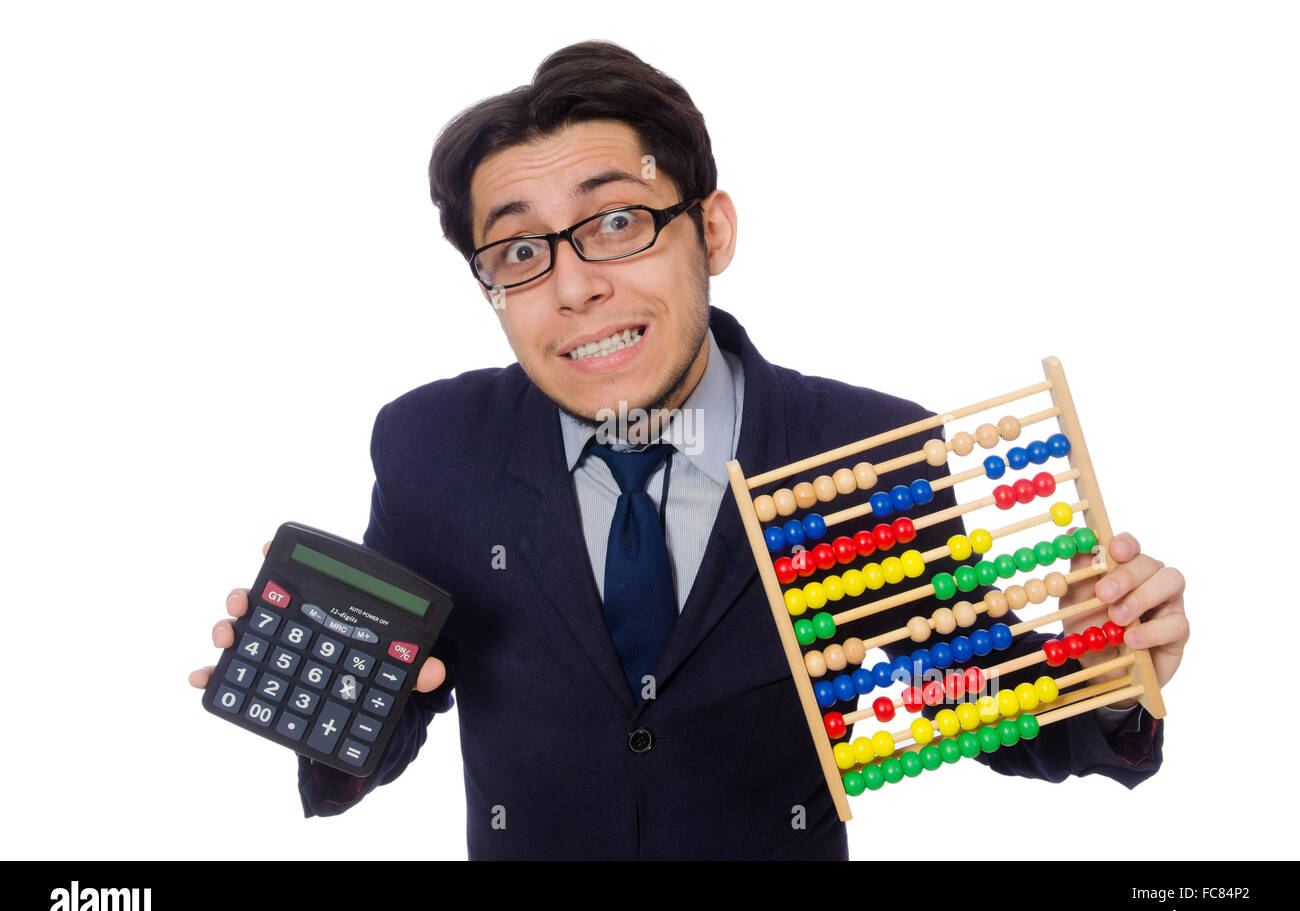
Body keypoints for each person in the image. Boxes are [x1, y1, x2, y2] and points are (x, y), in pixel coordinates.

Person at [190, 41, 1189, 859]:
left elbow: (982, 703)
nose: (574, 287)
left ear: (710, 231)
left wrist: (1101, 661)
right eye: (519, 252)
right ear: (488, 287)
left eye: (617, 222)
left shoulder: (866, 449)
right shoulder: (430, 447)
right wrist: (327, 707)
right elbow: (402, 698)